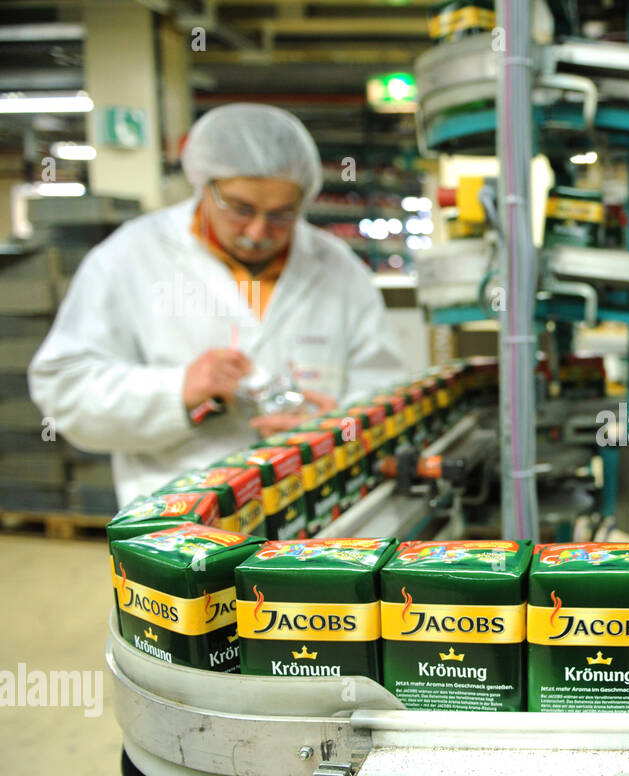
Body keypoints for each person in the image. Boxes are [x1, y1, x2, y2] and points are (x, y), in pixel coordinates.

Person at [28, 103, 406, 506]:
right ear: (204, 185)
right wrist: (175, 391)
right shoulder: (129, 256)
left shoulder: (339, 268)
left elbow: (382, 389)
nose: (259, 231)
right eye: (241, 209)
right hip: (178, 519)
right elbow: (63, 386)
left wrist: (332, 427)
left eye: (282, 214)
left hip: (313, 520)